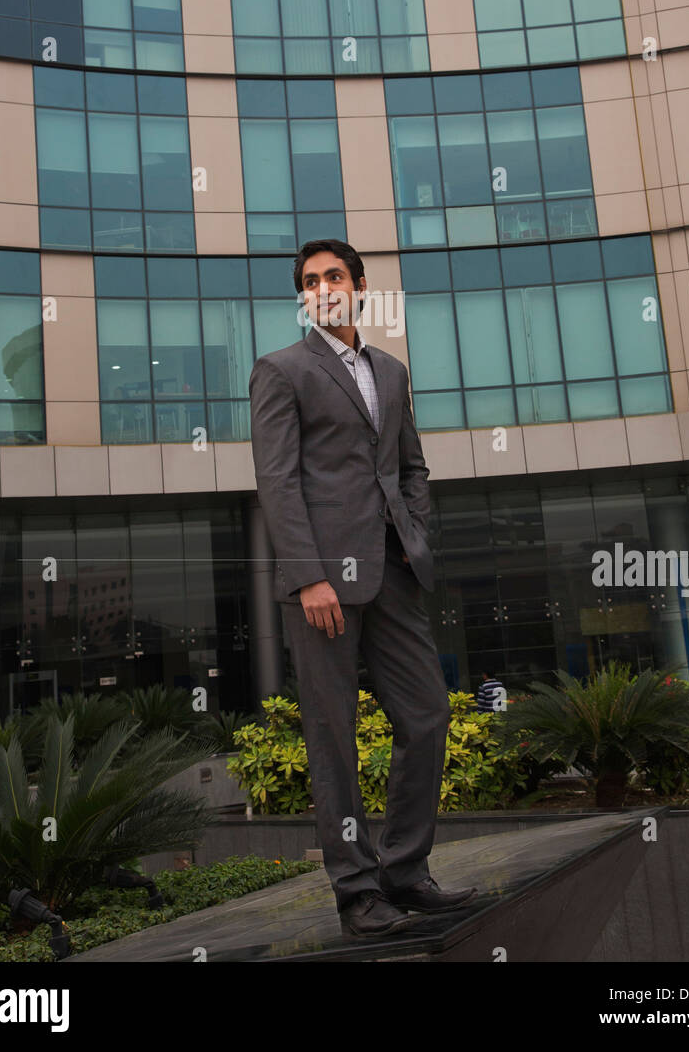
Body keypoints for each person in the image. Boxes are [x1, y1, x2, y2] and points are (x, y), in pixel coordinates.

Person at [249, 239, 478, 939]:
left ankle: (405, 870)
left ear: (359, 286)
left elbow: (412, 465)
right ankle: (356, 891)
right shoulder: (281, 370)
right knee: (333, 736)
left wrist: (414, 531)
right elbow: (277, 481)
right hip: (323, 586)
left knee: (427, 715)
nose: (323, 288)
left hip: (393, 573)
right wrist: (310, 575)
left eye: (334, 276)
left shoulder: (392, 371)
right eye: (311, 281)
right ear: (303, 296)